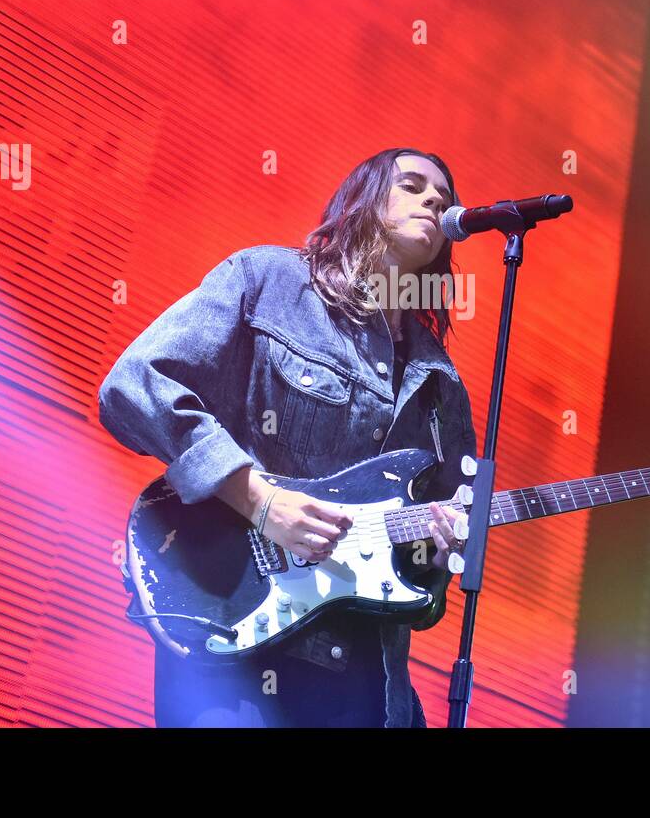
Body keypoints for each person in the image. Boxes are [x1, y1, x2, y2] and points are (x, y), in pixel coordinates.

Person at [98, 147, 478, 727]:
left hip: (365, 679)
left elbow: (424, 586)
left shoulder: (440, 386)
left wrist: (437, 548)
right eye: (412, 184)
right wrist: (260, 500)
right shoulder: (269, 283)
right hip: (233, 625)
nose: (434, 199)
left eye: (444, 196)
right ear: (363, 199)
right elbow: (135, 383)